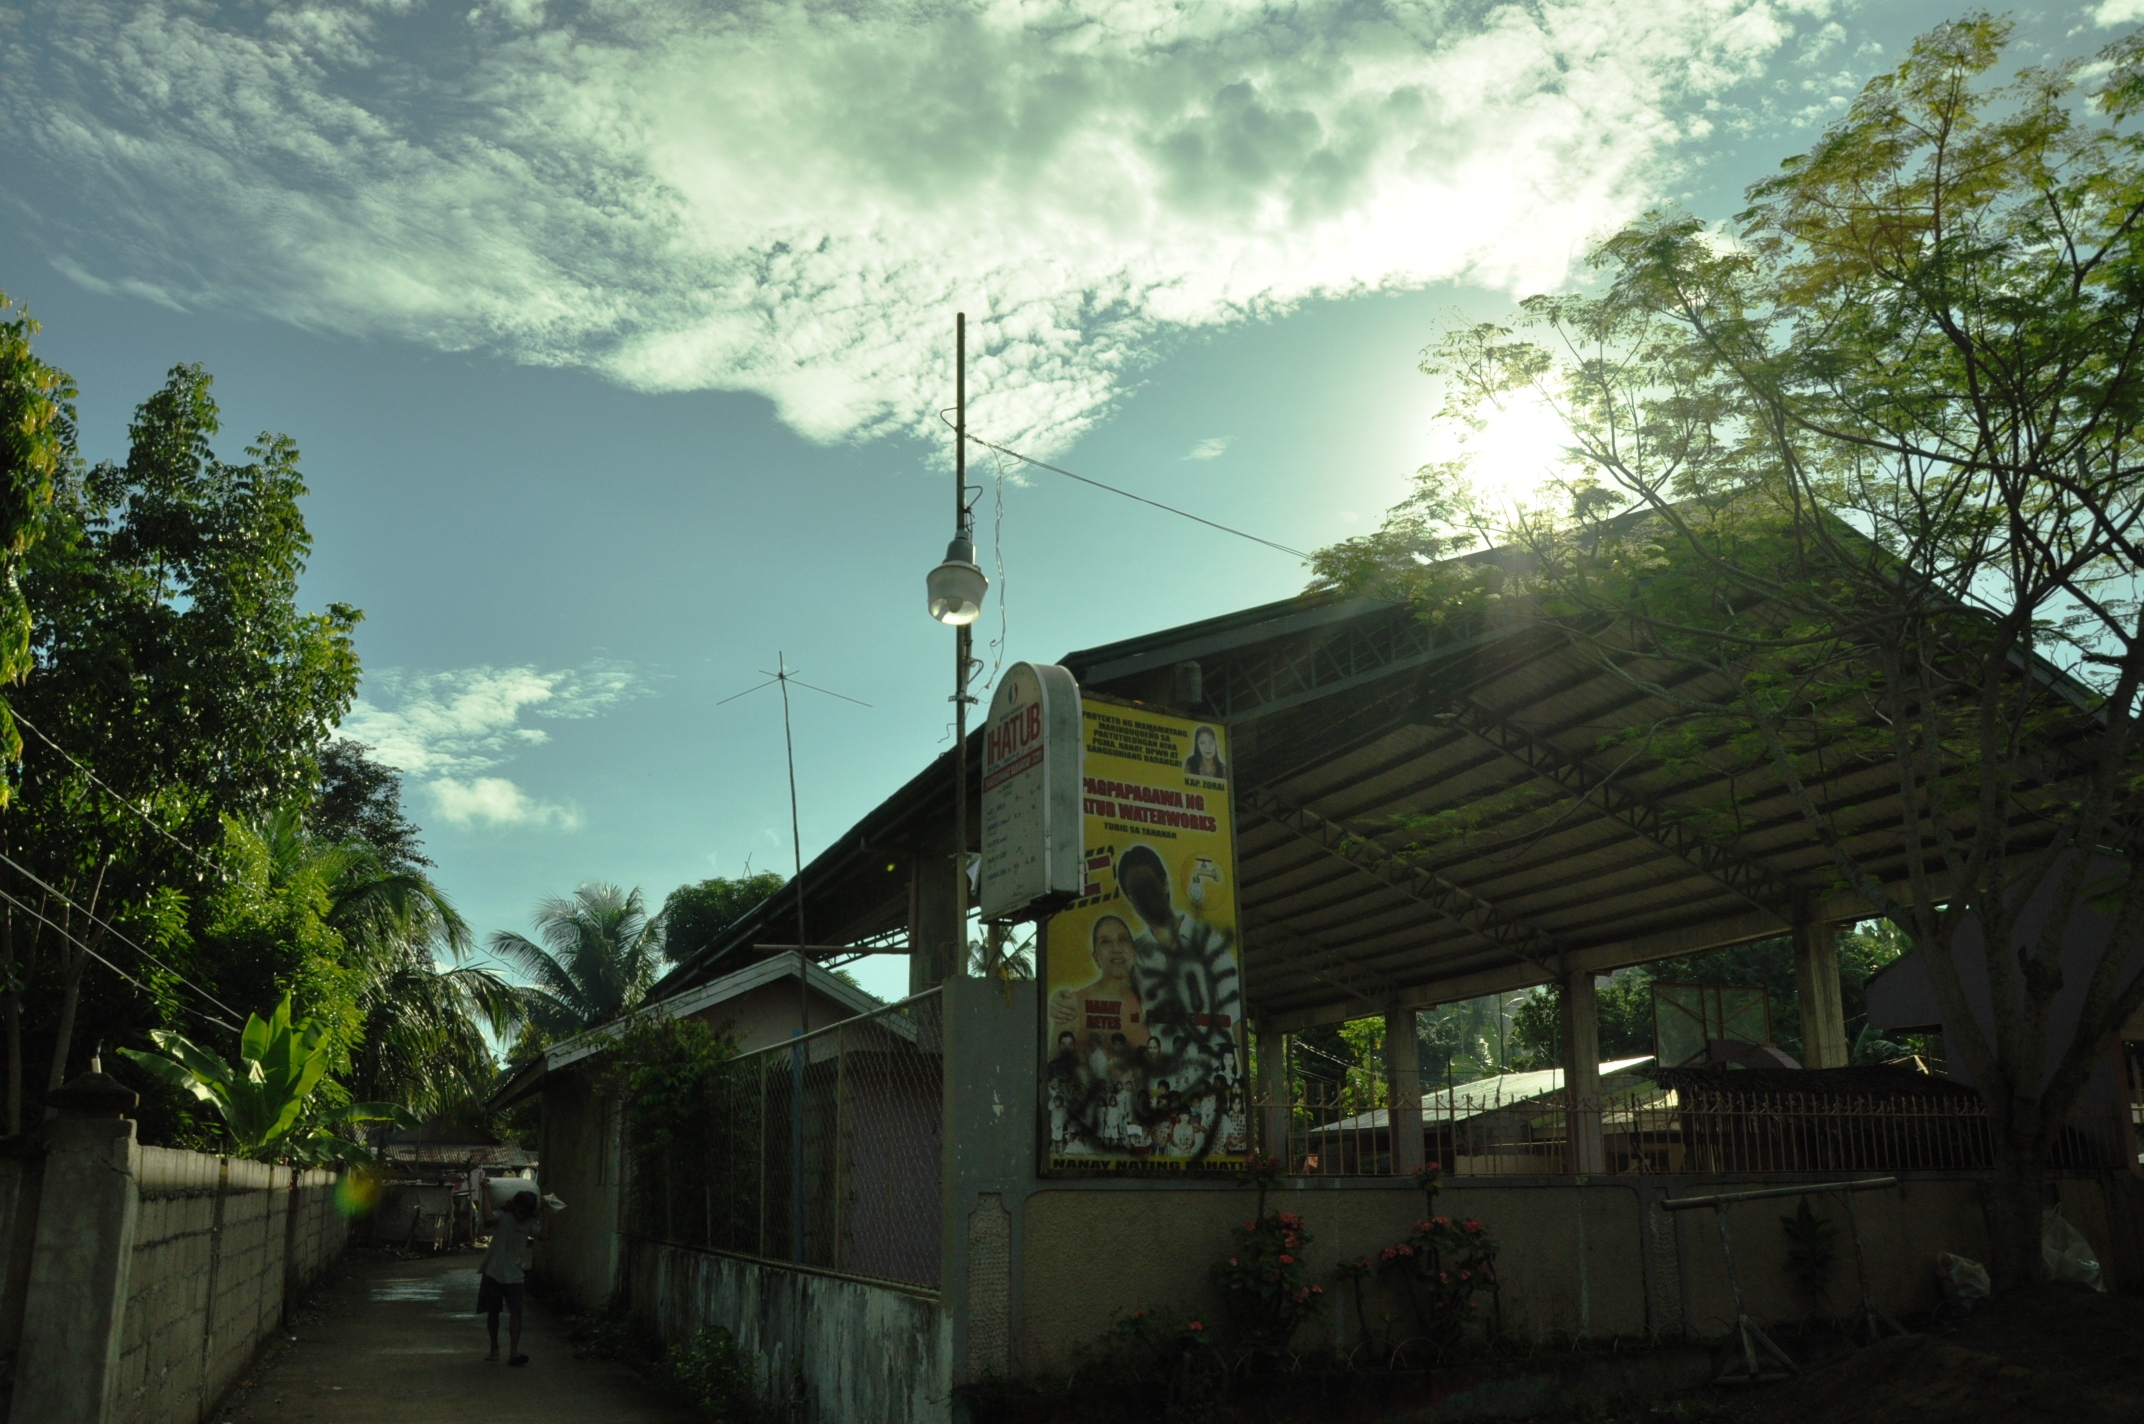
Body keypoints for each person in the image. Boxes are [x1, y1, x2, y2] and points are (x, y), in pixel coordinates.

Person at [1046, 915, 1149, 1057]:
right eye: (1105, 941)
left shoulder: (1150, 1000)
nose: (1116, 948)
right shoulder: (1072, 1005)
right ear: (1096, 957)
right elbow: (1053, 1065)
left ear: (1134, 951)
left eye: (1123, 939)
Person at [479, 1190, 544, 1365]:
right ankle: (494, 1349)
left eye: (525, 1213)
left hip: (515, 1274)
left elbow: (544, 1235)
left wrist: (546, 1211)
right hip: (494, 1271)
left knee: (516, 1313)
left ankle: (513, 1352)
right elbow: (487, 1217)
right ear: (514, 1207)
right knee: (493, 1313)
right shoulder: (502, 1216)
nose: (521, 1216)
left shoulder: (529, 1222)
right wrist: (484, 1192)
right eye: (519, 1212)